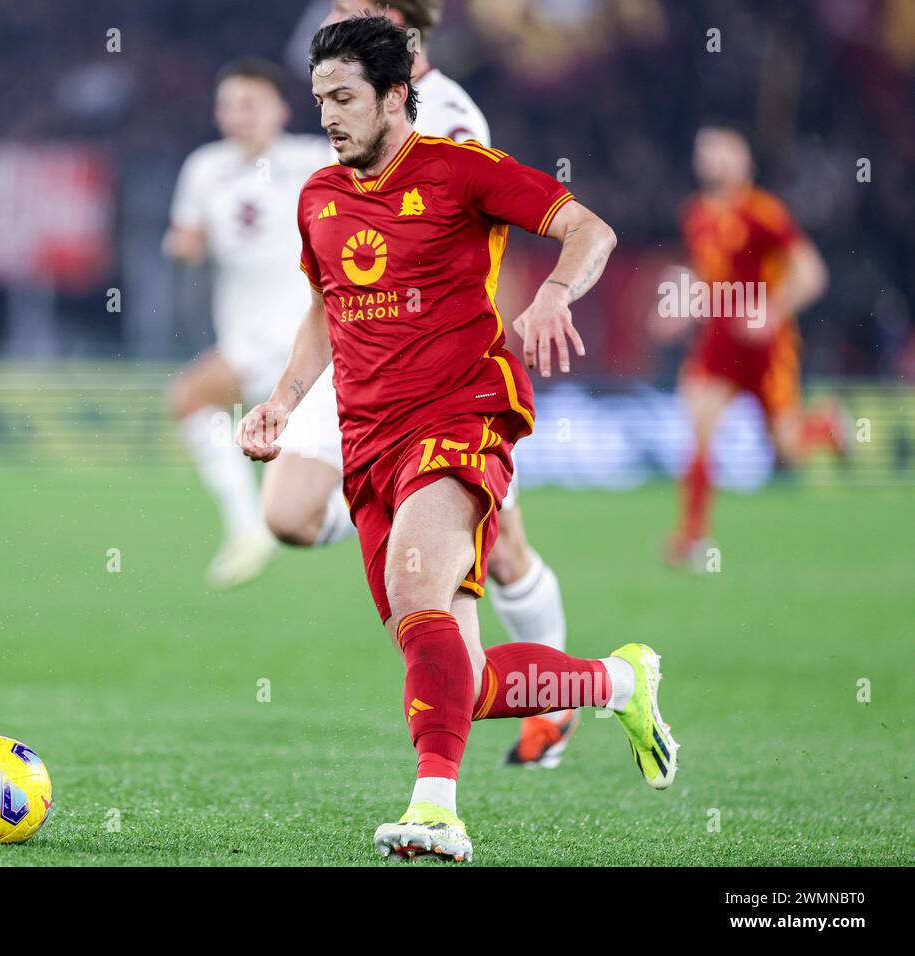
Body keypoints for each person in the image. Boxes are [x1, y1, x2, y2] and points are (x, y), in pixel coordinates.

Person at [238, 16, 676, 862]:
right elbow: (325, 309)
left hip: (461, 414)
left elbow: (592, 231)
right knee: (461, 681)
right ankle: (622, 682)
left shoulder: (459, 169)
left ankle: (435, 809)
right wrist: (285, 401)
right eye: (320, 99)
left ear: (397, 95)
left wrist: (553, 295)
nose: (328, 117)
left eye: (345, 99)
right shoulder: (318, 197)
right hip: (368, 442)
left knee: (416, 593)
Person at [264, 0, 577, 769]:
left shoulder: (453, 123)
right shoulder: (342, 110)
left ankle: (555, 712)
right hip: (360, 364)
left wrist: (544, 303)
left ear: (400, 27)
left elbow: (477, 238)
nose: (336, 12)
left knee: (499, 558)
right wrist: (282, 397)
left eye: (354, 6)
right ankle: (597, 684)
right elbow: (333, 266)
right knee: (288, 511)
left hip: (447, 382)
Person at [164, 59, 332, 588]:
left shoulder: (316, 158)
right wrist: (182, 247)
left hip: (307, 335)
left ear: (280, 110)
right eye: (229, 105)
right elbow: (185, 239)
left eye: (250, 104)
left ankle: (259, 526)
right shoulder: (205, 168)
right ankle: (251, 527)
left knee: (334, 460)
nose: (239, 115)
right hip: (243, 334)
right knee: (192, 400)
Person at [666, 125, 847, 567]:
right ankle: (692, 540)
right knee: (699, 432)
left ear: (743, 160)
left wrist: (772, 309)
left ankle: (826, 426)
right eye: (706, 152)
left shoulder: (764, 212)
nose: (714, 159)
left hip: (767, 349)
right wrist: (676, 306)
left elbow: (811, 272)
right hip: (717, 344)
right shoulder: (696, 215)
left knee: (787, 449)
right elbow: (702, 275)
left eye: (723, 151)